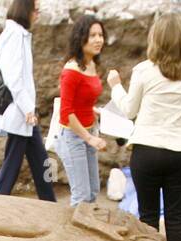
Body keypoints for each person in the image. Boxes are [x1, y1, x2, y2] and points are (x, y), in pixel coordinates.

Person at [107, 12, 181, 241]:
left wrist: (115, 86)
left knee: (148, 218)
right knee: (176, 218)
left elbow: (130, 109)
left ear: (156, 39)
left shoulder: (144, 71)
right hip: (180, 151)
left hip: (147, 150)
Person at [0, 0, 54, 201]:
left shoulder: (16, 34)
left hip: (22, 111)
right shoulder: (15, 35)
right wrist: (27, 109)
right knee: (14, 163)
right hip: (20, 111)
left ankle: (49, 201)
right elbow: (13, 76)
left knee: (38, 159)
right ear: (26, 10)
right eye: (36, 11)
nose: (37, 15)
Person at [57, 14, 107, 207]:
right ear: (81, 38)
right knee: (81, 196)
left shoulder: (92, 64)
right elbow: (66, 112)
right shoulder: (71, 70)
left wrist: (95, 111)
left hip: (88, 131)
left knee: (93, 190)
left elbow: (83, 101)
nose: (98, 40)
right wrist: (89, 138)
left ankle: (87, 234)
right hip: (73, 136)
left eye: (100, 35)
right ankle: (72, 236)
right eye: (92, 35)